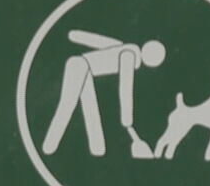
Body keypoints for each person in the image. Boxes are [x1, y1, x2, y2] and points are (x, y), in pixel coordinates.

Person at [41, 31, 166, 159]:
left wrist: (75, 35)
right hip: (79, 66)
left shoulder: (123, 46)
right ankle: (49, 146)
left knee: (90, 108)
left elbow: (98, 41)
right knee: (67, 105)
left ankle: (97, 148)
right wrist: (126, 118)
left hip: (85, 68)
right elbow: (125, 86)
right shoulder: (129, 56)